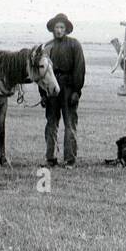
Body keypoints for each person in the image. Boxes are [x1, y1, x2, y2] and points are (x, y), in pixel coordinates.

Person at [42, 13, 85, 167]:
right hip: (52, 90)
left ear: (66, 29)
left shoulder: (74, 45)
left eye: (61, 27)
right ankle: (50, 158)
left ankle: (70, 159)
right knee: (51, 124)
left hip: (68, 88)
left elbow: (79, 69)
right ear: (53, 29)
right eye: (56, 27)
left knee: (70, 124)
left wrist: (76, 91)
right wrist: (44, 94)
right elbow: (42, 73)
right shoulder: (47, 47)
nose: (59, 30)